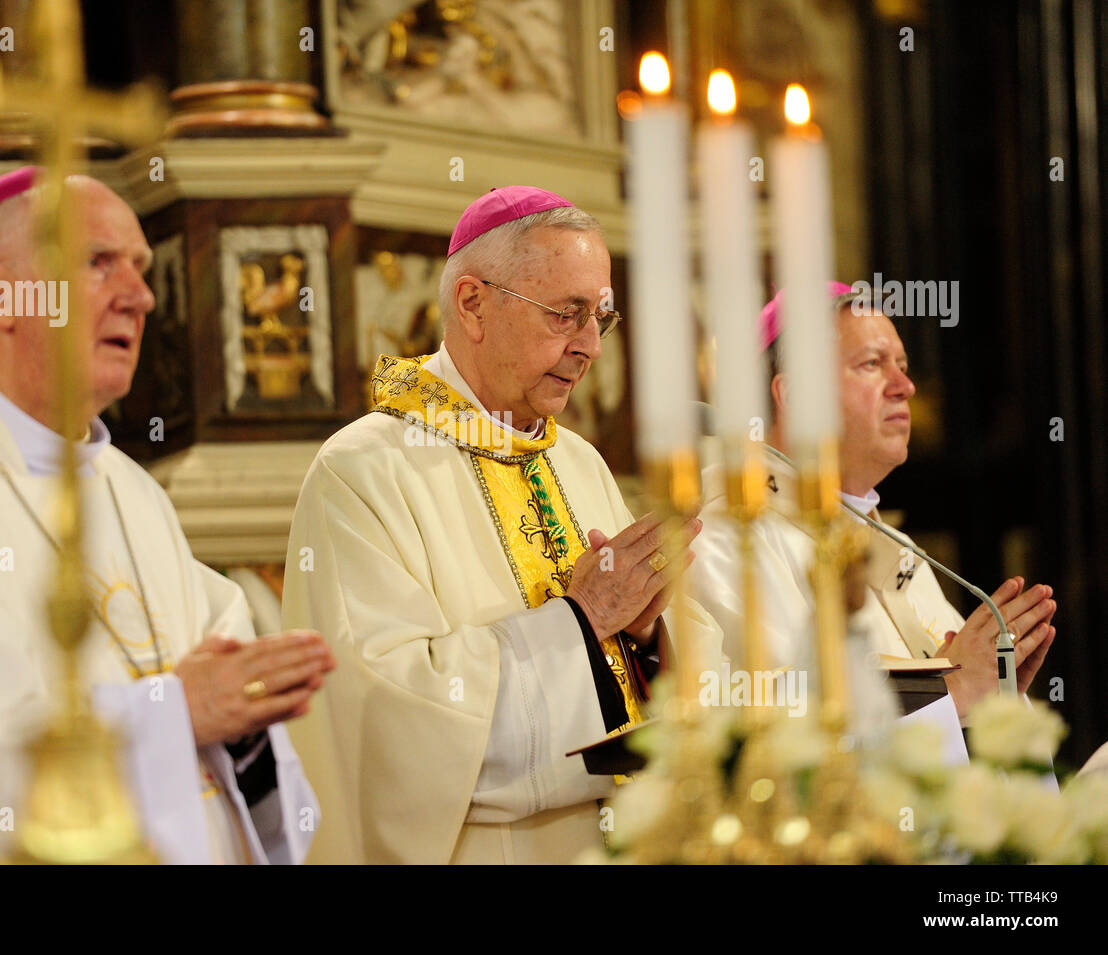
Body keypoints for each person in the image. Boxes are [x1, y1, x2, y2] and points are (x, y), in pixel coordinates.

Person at [0, 167, 334, 864]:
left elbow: (231, 741)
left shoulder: (132, 493)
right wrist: (175, 713)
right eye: (98, 262)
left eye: (142, 269)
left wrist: (244, 727)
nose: (142, 296)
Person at [281, 186, 723, 864]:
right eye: (566, 315)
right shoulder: (362, 472)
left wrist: (645, 635)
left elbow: (683, 676)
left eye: (599, 319)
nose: (589, 348)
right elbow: (384, 725)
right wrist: (581, 623)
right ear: (472, 304)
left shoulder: (579, 462)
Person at [691, 283, 1056, 724]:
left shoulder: (896, 547)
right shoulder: (729, 537)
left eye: (902, 366)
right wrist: (953, 696)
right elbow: (785, 743)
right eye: (872, 364)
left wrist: (992, 706)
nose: (905, 386)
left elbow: (956, 702)